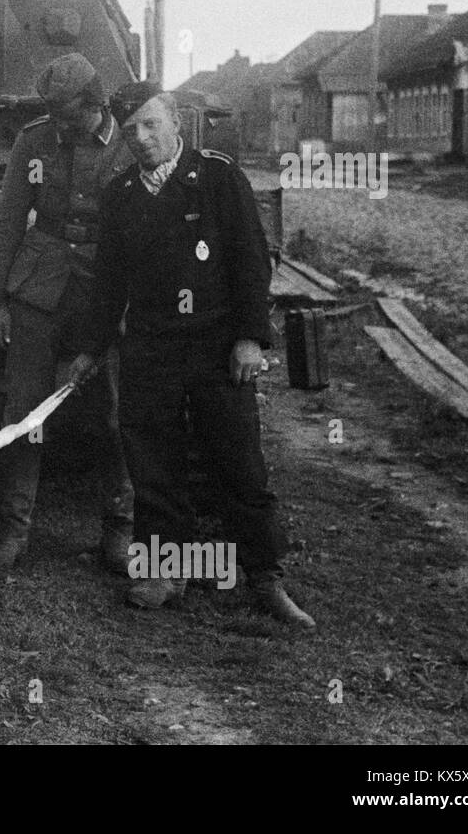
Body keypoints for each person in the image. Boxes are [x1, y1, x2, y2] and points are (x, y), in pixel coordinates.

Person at [66, 81, 315, 628]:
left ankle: (265, 578)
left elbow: (252, 262)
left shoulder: (219, 178)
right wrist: (92, 348)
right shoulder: (122, 193)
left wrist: (250, 337)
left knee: (239, 464)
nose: (143, 138)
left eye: (153, 125)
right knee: (154, 468)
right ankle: (164, 572)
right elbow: (109, 282)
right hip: (150, 348)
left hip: (215, 345)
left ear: (177, 123)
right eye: (132, 129)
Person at [0, 52, 134, 570]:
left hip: (108, 291)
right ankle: (13, 530)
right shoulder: (35, 140)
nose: (62, 129)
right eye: (57, 117)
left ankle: (120, 530)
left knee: (116, 417)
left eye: (70, 117)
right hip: (39, 287)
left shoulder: (130, 146)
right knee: (23, 415)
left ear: (96, 105)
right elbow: (8, 222)